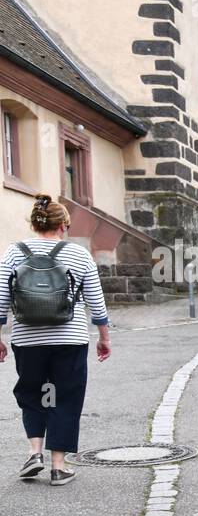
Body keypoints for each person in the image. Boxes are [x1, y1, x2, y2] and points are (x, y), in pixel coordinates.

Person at [0, 194, 111, 485]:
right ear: (63, 225)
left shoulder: (14, 252)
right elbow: (96, 303)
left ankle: (34, 453)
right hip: (69, 339)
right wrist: (103, 337)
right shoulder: (79, 254)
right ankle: (58, 466)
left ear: (35, 224)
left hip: (28, 341)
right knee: (65, 397)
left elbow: (1, 299)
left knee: (33, 394)